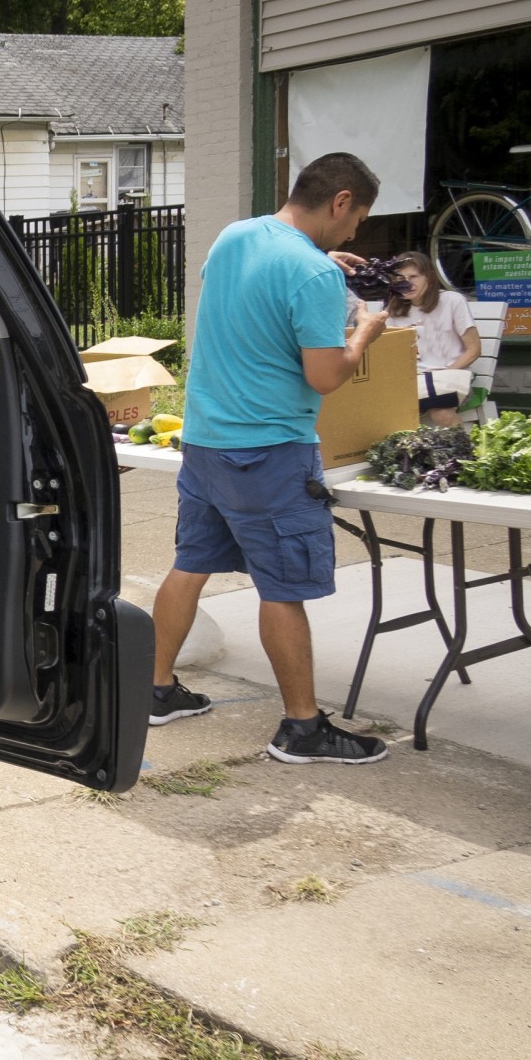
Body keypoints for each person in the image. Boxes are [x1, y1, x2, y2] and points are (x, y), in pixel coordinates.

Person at [148, 152, 391, 765]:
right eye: (357, 218)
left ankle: (156, 692)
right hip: (269, 450)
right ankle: (303, 729)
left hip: (206, 441)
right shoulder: (313, 276)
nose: (356, 232)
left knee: (191, 563)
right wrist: (365, 331)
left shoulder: (236, 236)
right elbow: (327, 373)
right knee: (281, 587)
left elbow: (259, 281)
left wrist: (320, 265)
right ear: (340, 202)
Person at [385, 250, 480, 428]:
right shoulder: (393, 310)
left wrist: (445, 373)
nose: (407, 283)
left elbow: (474, 349)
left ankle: (463, 454)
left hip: (450, 377)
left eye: (414, 277)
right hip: (412, 381)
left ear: (429, 277)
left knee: (441, 412)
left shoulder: (452, 301)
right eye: (400, 278)